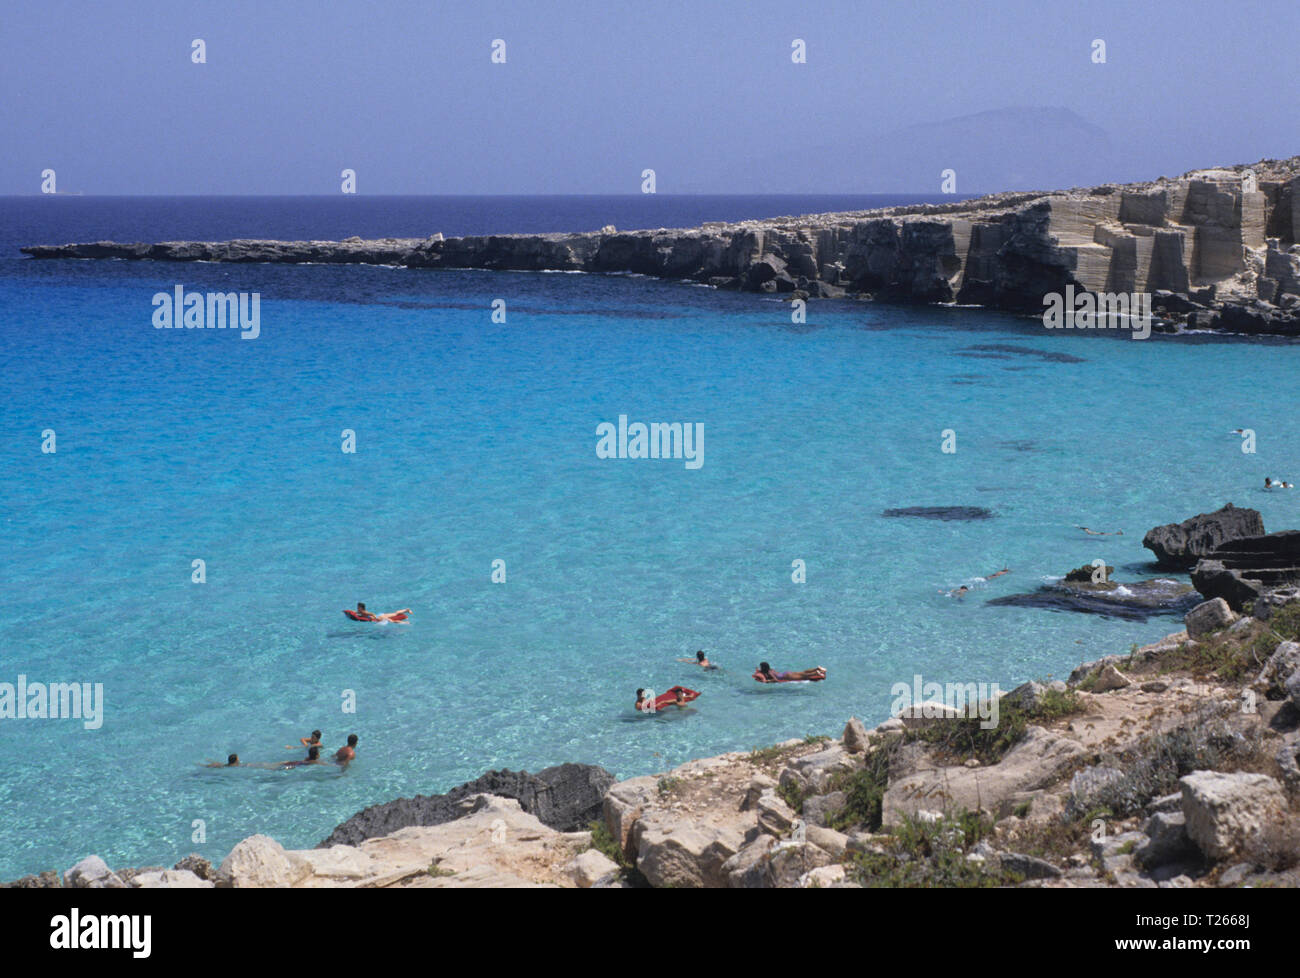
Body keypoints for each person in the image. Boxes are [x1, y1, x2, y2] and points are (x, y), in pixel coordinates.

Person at [755, 661, 825, 683]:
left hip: (786, 676)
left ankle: (816, 673)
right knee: (803, 672)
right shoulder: (771, 670)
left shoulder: (769, 673)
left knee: (804, 676)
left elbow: (776, 680)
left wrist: (767, 681)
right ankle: (817, 669)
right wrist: (759, 670)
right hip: (786, 673)